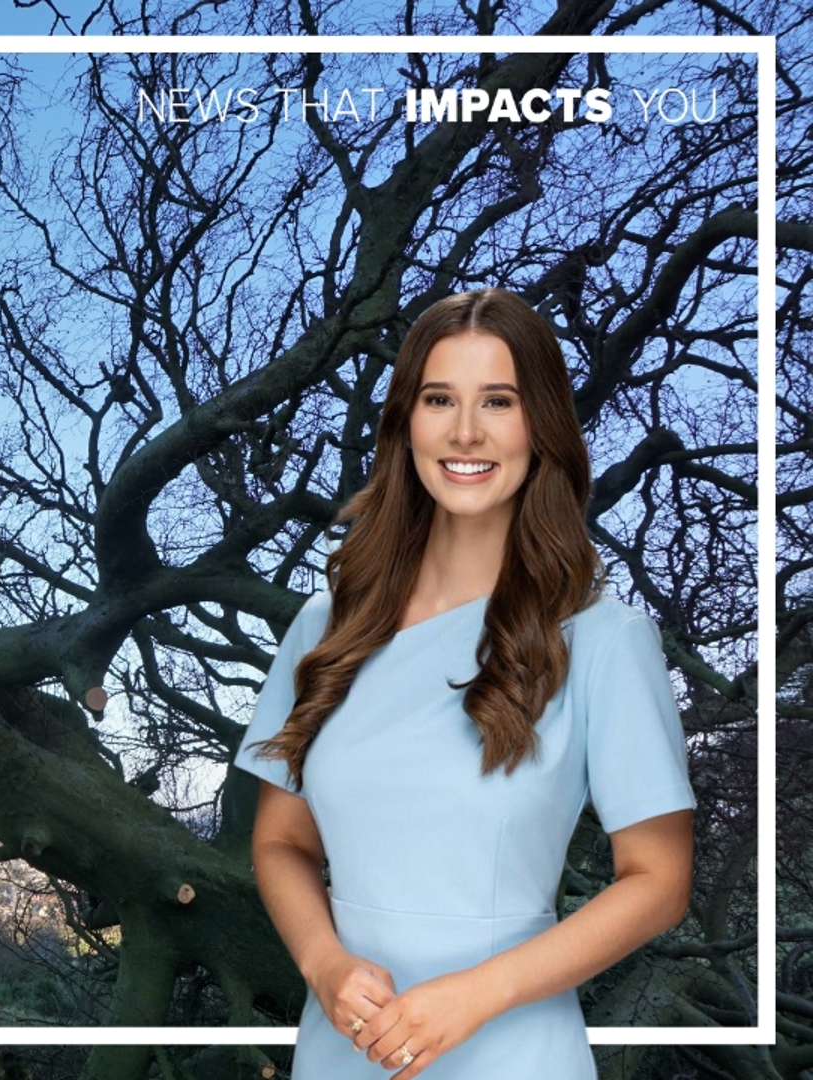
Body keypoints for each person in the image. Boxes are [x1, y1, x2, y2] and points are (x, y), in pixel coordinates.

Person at [230, 288, 695, 1079]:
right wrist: (325, 966)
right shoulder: (324, 626)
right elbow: (281, 842)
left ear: (539, 425)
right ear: (406, 421)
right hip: (344, 1047)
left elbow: (659, 881)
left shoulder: (604, 638)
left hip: (512, 1049)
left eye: (499, 401)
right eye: (439, 398)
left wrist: (477, 994)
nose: (466, 431)